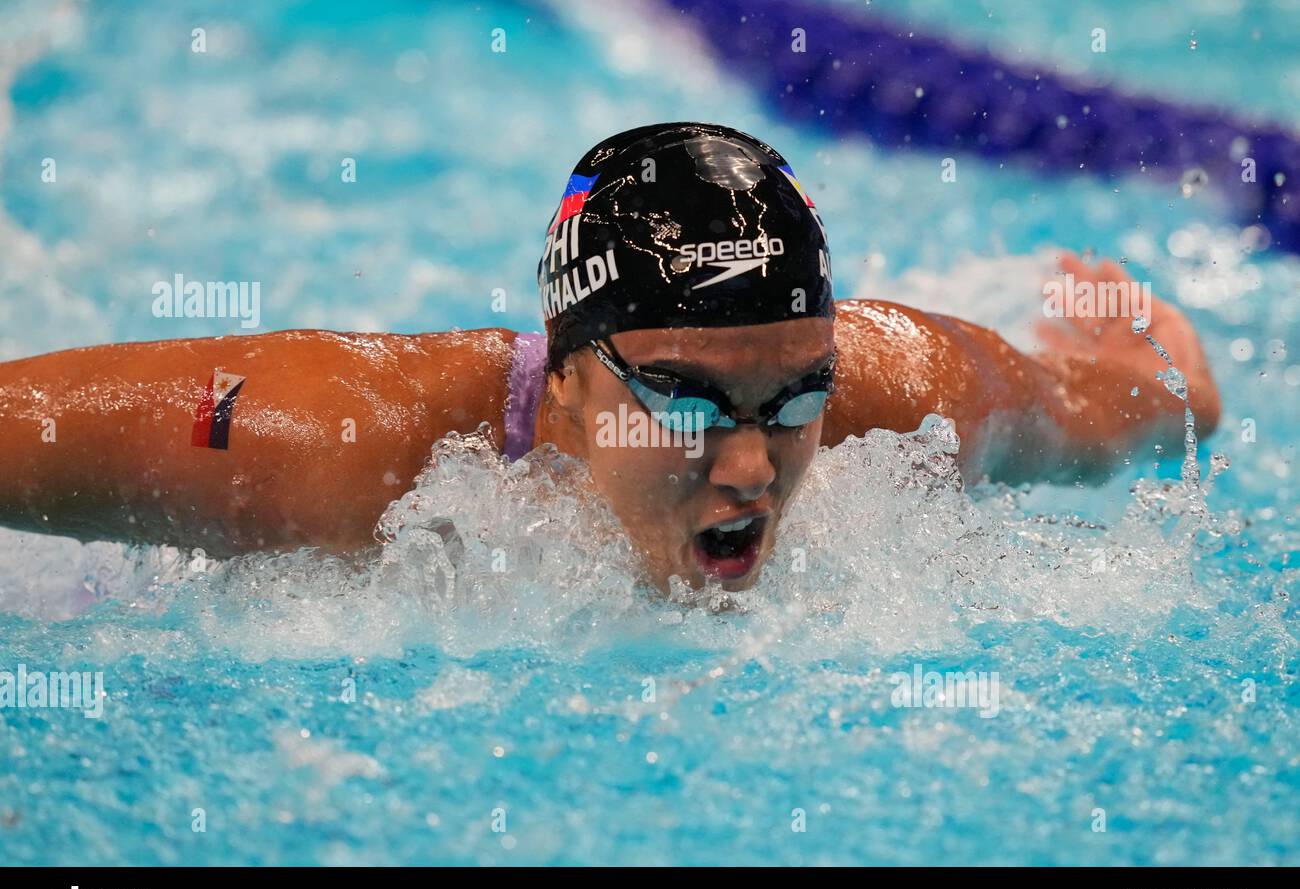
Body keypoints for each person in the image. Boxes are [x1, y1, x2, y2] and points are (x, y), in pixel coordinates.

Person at [0, 123, 1219, 592]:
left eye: (796, 395)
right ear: (571, 383)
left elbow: (1147, 401)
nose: (751, 465)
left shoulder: (904, 398)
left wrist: (1162, 374)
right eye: (684, 403)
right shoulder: (348, 444)